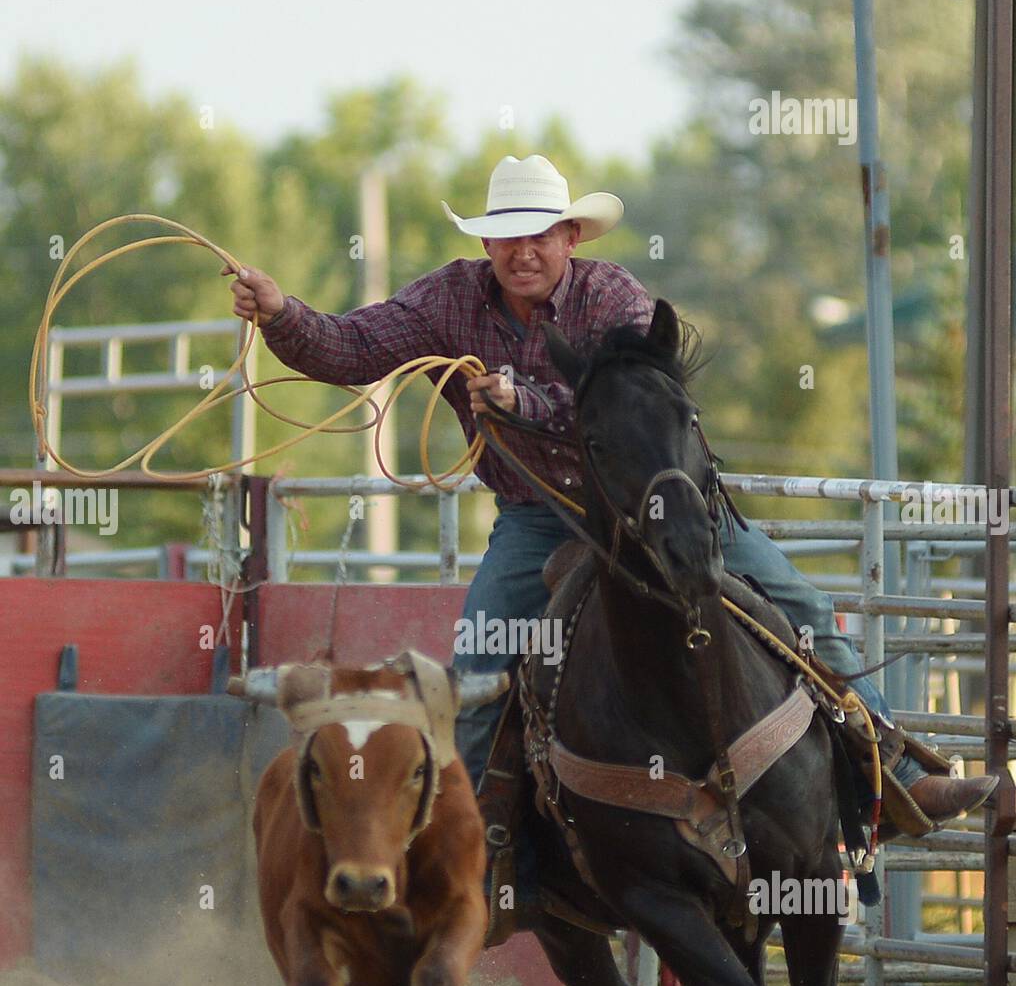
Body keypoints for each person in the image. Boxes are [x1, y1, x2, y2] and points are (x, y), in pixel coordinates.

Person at [225, 154, 996, 912]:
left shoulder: (614, 299)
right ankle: (479, 854)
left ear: (571, 238)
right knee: (478, 665)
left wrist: (523, 402)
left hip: (658, 507)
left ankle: (888, 770)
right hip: (538, 514)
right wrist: (282, 314)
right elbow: (353, 348)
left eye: (542, 234)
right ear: (487, 244)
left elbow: (625, 404)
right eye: (508, 236)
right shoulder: (448, 301)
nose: (524, 251)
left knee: (800, 605)